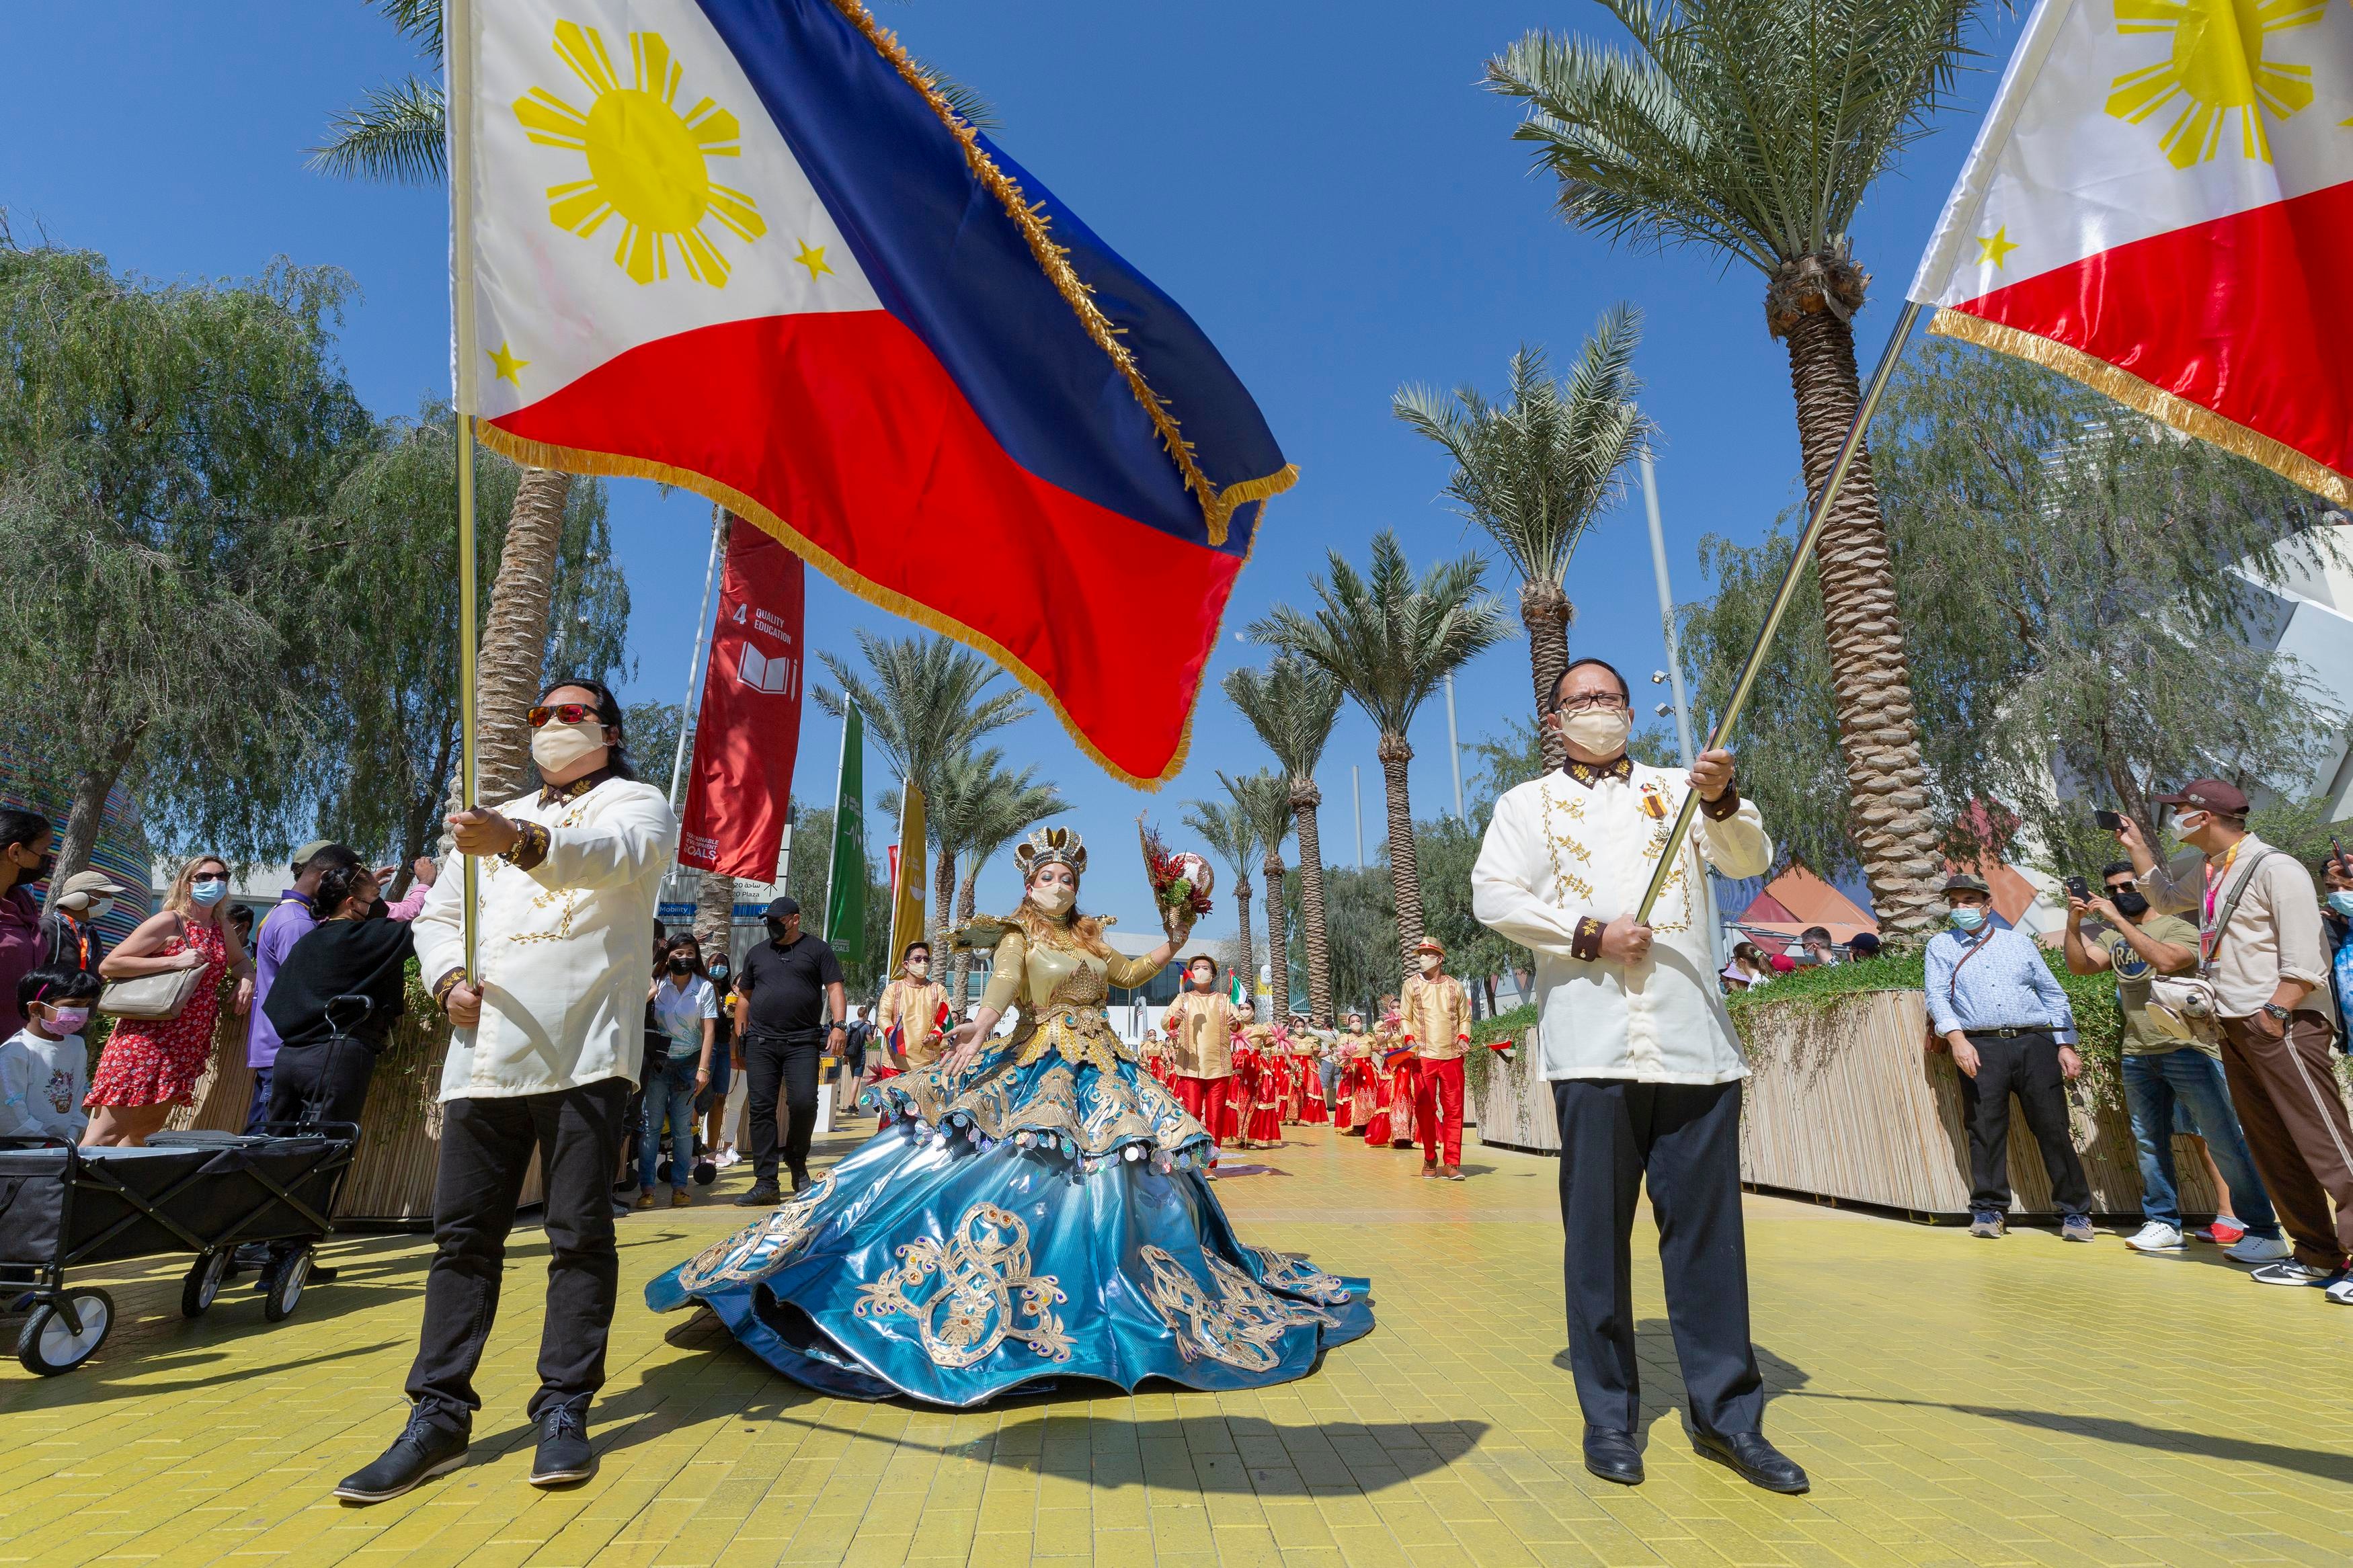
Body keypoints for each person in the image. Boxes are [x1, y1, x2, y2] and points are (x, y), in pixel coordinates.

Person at [646, 824, 1372, 1403]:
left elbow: (1126, 974)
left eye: (1067, 878)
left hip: (1106, 1069)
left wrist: (1175, 942)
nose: (1058, 886)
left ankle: (1127, 1281)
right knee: (1013, 1165)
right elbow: (999, 987)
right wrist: (977, 1025)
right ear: (1028, 884)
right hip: (1039, 1062)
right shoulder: (1019, 937)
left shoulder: (1089, 940)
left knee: (1120, 1169)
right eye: (1046, 877)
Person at [337, 677, 676, 1503]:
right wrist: (448, 975)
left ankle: (564, 1408)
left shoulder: (636, 803)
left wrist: (516, 838)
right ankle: (438, 1415)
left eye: (570, 713)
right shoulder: (482, 825)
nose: (552, 726)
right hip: (483, 1054)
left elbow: (616, 861)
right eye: (540, 715)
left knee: (577, 1235)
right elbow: (438, 917)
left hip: (586, 1049)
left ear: (608, 727)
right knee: (463, 1240)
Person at [1473, 655, 1804, 1495]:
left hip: (1693, 1046)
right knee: (1595, 1243)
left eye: (1607, 697)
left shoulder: (1679, 787)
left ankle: (1729, 1417)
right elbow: (1493, 896)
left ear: (1629, 709)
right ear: (1555, 718)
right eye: (1579, 699)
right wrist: (1589, 934)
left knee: (1707, 1243)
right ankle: (1609, 1416)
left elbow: (1745, 858)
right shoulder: (1524, 804)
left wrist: (1724, 796)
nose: (1595, 709)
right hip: (1590, 1050)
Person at [2120, 781, 2353, 1297]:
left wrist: (2276, 1011)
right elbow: (2161, 895)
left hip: (2282, 1022)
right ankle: (2316, 1254)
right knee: (2274, 1146)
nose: (2173, 818)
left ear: (2204, 817)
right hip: (2234, 1022)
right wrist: (2135, 846)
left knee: (2326, 1143)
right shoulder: (2209, 871)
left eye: (2179, 811)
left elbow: (2305, 958)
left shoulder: (2277, 867)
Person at [2063, 860, 2285, 1262]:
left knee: (2224, 1141)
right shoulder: (2113, 937)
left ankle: (2264, 1230)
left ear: (2146, 887)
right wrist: (2074, 922)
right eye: (2111, 889)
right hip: (2138, 1052)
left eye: (2127, 886)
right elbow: (2079, 967)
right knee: (2150, 1143)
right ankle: (2163, 1224)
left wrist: (2118, 921)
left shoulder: (2178, 926)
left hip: (2190, 1051)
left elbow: (2167, 961)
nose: (2119, 894)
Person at [1924, 872, 2092, 1241]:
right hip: (1980, 1046)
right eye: (1954, 903)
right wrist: (1957, 1040)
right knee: (1984, 1131)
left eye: (1968, 901)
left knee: (2053, 1128)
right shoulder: (1940, 945)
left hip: (2034, 1043)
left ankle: (2076, 1213)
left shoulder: (2020, 945)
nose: (1960, 908)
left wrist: (2065, 1044)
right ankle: (1988, 1210)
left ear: (1987, 905)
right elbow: (1936, 996)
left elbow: (2053, 994)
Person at [246, 843, 436, 1134]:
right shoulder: (360, 937)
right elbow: (426, 925)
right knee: (324, 1151)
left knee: (273, 1148)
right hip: (335, 1056)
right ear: (351, 903)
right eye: (374, 898)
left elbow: (278, 1001)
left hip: (288, 1058)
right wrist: (426, 884)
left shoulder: (307, 938)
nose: (380, 905)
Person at [87, 854, 254, 1146]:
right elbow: (110, 965)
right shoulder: (169, 921)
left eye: (221, 877)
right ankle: (67, 1190)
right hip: (146, 1040)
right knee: (105, 1136)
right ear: (186, 884)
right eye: (204, 877)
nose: (215, 883)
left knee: (142, 1134)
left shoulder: (220, 927)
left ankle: (115, 1190)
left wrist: (247, 978)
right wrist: (174, 962)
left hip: (185, 1043)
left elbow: (240, 962)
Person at [731, 895, 846, 1204]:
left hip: (802, 1042)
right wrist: (739, 1035)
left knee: (805, 1103)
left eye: (777, 921)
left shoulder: (818, 950)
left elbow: (835, 988)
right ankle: (766, 1182)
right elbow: (745, 997)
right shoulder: (757, 954)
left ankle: (796, 1160)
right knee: (761, 1109)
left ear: (795, 919)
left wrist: (839, 1025)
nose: (771, 926)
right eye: (768, 921)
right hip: (760, 1043)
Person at [637, 935, 717, 1210]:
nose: (684, 958)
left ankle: (680, 1188)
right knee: (651, 1127)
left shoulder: (704, 988)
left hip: (688, 1065)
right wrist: (649, 989)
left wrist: (703, 1069)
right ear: (669, 956)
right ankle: (646, 1188)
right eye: (678, 953)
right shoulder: (656, 985)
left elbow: (709, 1031)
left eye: (690, 953)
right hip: (658, 1064)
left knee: (684, 1129)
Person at [0, 964, 97, 1143]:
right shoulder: (15, 1052)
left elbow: (77, 1096)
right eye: (73, 1005)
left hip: (61, 1148)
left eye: (87, 1005)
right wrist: (43, 1143)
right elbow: (9, 1112)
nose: (81, 1012)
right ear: (37, 1009)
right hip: (20, 1150)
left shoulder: (76, 1045)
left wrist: (71, 1136)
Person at [1402, 936, 1474, 1179]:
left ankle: (1452, 1163)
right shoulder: (1411, 985)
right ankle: (1430, 1157)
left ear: (1440, 959)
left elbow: (1465, 1017)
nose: (1421, 958)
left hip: (1452, 1056)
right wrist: (1409, 1041)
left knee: (1455, 1110)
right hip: (1422, 1057)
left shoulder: (1456, 986)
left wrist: (1464, 1037)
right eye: (1420, 954)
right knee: (1424, 1109)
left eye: (1427, 954)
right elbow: (1405, 1017)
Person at [1162, 952, 1241, 1168]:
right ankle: (1190, 1163)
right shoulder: (1182, 1000)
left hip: (1219, 1067)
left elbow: (1239, 1023)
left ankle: (1210, 1165)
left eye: (1205, 967)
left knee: (1216, 1119)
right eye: (1196, 967)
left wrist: (1235, 1022)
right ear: (1190, 973)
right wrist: (1174, 1020)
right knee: (1193, 1115)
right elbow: (1165, 1022)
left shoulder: (1224, 1000)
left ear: (1213, 974)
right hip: (1190, 1067)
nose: (1201, 971)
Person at [0, 810, 55, 1041]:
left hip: (20, 1048)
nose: (47, 859)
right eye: (43, 850)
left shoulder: (23, 903)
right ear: (16, 852)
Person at [872, 940, 949, 1087]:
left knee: (925, 1111)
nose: (923, 963)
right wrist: (892, 1032)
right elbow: (883, 1017)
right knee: (894, 1110)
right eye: (918, 959)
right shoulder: (893, 989)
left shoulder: (938, 990)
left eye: (926, 959)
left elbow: (945, 1020)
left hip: (929, 1065)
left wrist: (935, 1036)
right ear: (906, 965)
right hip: (895, 1065)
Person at [40, 869, 125, 975]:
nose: (110, 899)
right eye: (104, 894)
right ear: (80, 897)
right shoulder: (47, 927)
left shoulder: (91, 933)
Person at [701, 945, 738, 1167]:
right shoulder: (704, 988)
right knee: (700, 1097)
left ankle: (713, 1151)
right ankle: (694, 1146)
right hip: (709, 1046)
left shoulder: (732, 992)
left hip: (724, 1046)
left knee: (720, 1097)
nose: (718, 967)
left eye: (723, 964)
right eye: (714, 964)